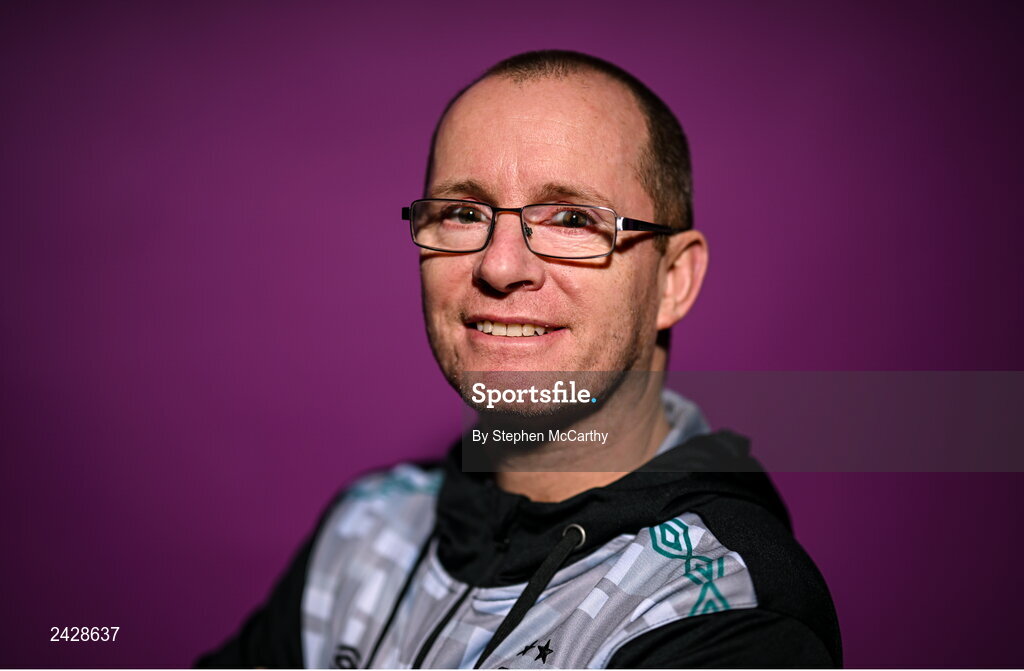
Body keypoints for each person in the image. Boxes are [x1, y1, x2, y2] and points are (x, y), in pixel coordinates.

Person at [197, 50, 841, 669]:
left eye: (569, 217)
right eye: (462, 213)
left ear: (673, 279)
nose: (500, 265)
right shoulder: (363, 530)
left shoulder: (724, 614)